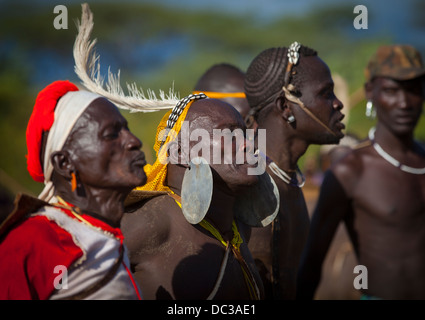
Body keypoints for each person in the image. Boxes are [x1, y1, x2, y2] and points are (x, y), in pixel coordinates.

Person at [297, 44, 425, 300]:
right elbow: (311, 265)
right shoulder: (350, 172)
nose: (404, 102)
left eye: (412, 90)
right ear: (370, 92)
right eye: (391, 90)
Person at [121, 93, 279, 300]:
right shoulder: (151, 222)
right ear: (179, 152)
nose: (249, 145)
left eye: (245, 135)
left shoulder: (238, 228)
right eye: (230, 135)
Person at [0, 80, 147, 300]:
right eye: (111, 134)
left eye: (126, 129)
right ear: (65, 163)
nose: (134, 141)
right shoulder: (32, 240)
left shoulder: (103, 232)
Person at [243, 42, 345, 299]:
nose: (338, 104)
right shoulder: (244, 183)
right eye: (326, 93)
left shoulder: (289, 180)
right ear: (286, 106)